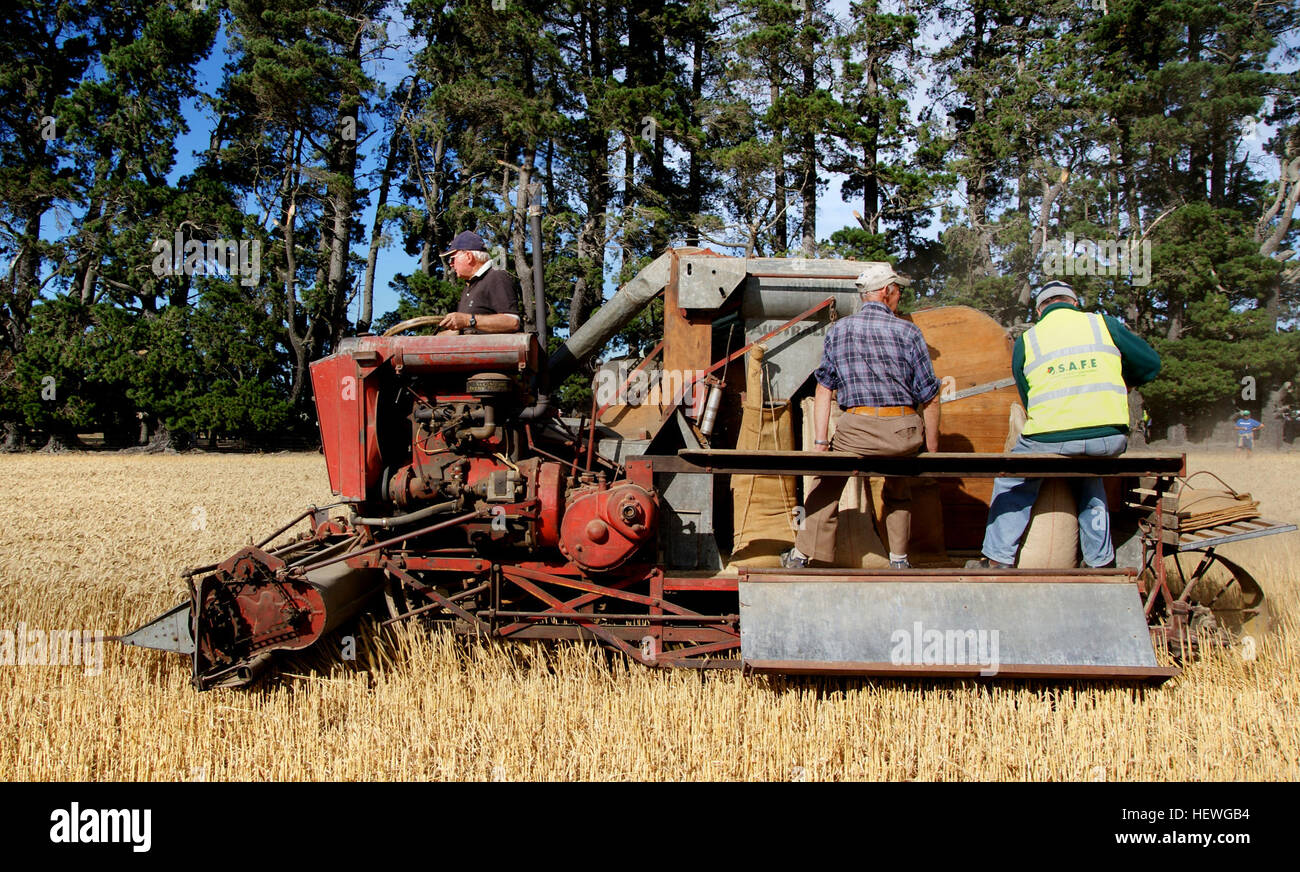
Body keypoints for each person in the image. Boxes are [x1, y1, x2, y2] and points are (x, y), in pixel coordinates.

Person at [972, 280, 1161, 569]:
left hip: (1050, 438)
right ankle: (1100, 561)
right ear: (1074, 303)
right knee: (1089, 476)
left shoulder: (1029, 340)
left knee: (1012, 478)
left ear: (1039, 311)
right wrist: (1123, 380)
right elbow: (1150, 365)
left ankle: (997, 558)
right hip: (1109, 438)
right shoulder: (1103, 324)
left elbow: (1028, 398)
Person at [781, 264, 941, 570]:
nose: (900, 296)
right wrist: (932, 449)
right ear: (886, 292)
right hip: (902, 436)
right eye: (898, 290)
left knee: (825, 486)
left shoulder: (839, 330)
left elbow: (824, 388)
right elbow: (930, 397)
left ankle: (801, 556)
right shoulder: (909, 332)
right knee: (899, 488)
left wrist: (820, 443)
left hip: (856, 433)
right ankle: (899, 560)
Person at [438, 230, 522, 334]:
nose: (451, 264)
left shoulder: (497, 276)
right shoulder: (470, 285)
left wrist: (467, 320)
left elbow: (512, 322)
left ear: (468, 256)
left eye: (452, 259)